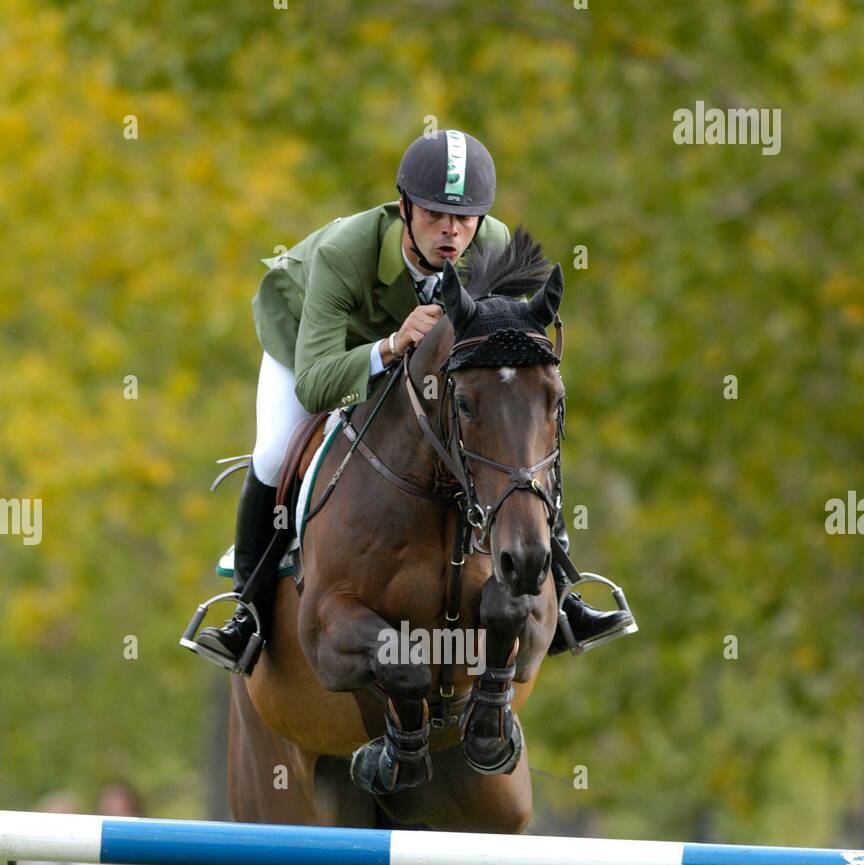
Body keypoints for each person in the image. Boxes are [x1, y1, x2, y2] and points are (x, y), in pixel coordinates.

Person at [190, 130, 631, 673]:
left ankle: (564, 594)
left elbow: (505, 375)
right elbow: (316, 381)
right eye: (434, 215)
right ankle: (247, 613)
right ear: (403, 207)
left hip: (425, 364)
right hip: (316, 346)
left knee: (516, 431)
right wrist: (392, 345)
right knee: (276, 452)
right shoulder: (341, 256)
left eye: (464, 218)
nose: (451, 232)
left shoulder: (489, 247)